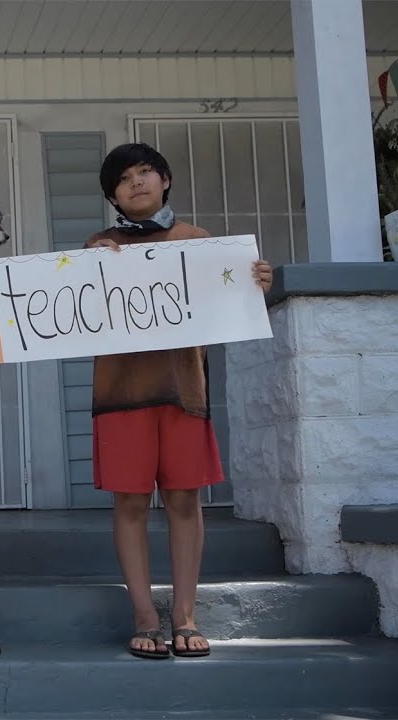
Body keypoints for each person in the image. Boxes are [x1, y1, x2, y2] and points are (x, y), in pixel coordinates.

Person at [83, 143, 273, 660]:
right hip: (121, 395)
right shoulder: (100, 245)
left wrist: (255, 285)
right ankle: (145, 614)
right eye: (124, 178)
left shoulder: (200, 242)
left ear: (165, 179)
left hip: (184, 390)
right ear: (113, 195)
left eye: (146, 172)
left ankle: (186, 615)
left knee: (185, 501)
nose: (137, 182)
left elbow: (227, 307)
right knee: (129, 502)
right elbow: (81, 312)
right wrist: (89, 270)